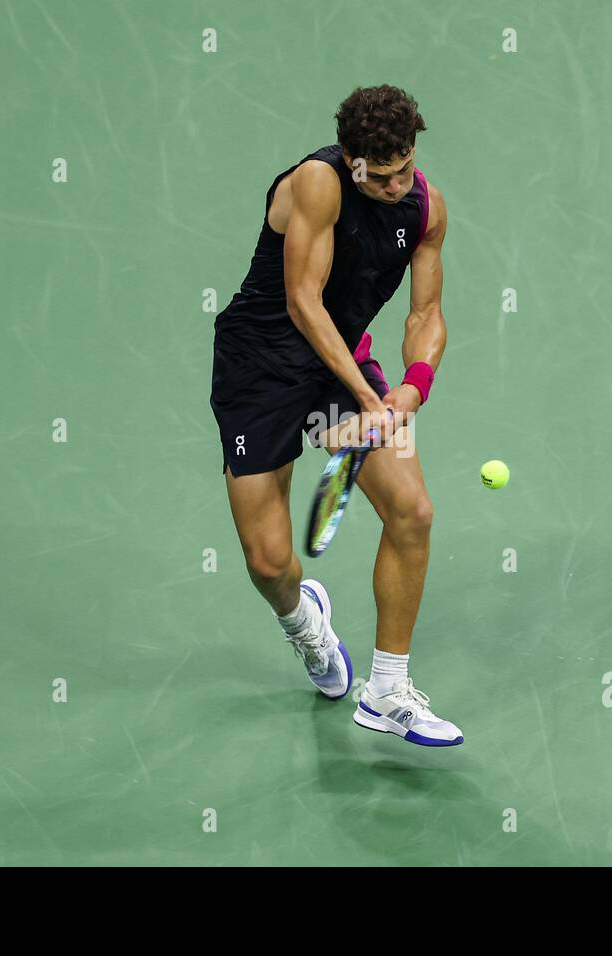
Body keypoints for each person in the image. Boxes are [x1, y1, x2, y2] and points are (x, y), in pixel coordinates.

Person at [209, 84, 461, 747]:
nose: (396, 184)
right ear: (351, 161)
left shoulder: (426, 208)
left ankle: (386, 690)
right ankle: (305, 625)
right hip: (259, 368)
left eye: (405, 167)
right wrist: (373, 401)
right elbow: (303, 302)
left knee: (413, 510)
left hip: (337, 364)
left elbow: (424, 313)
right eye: (380, 176)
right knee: (269, 563)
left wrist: (412, 388)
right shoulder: (315, 185)